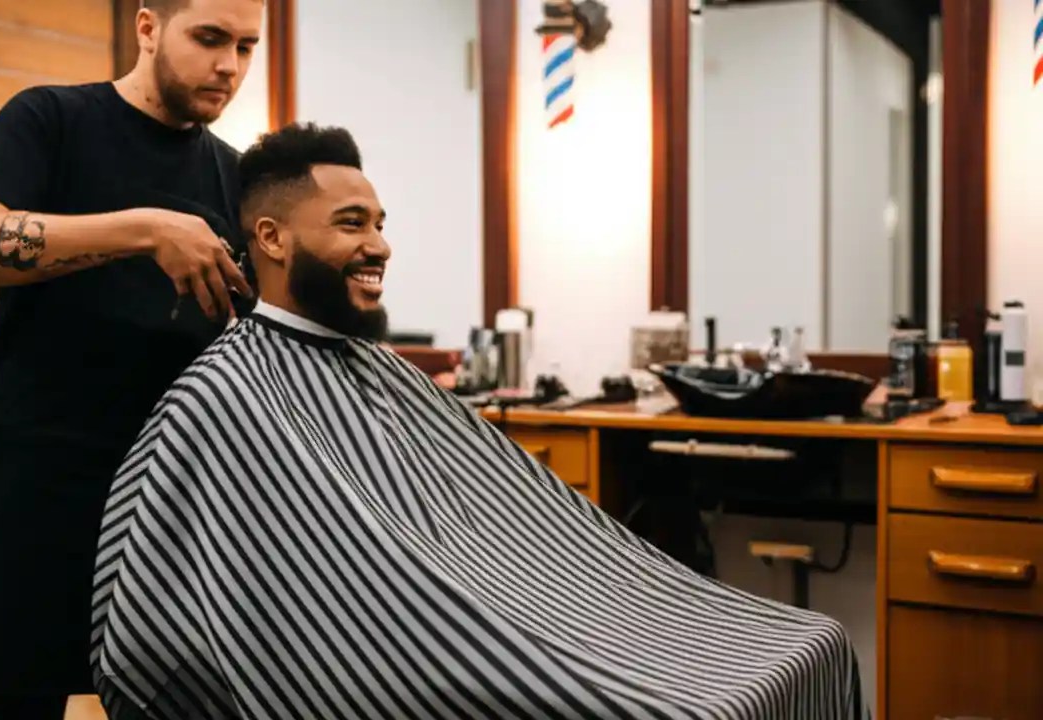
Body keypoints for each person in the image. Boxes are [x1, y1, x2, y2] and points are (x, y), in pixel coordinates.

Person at [89, 123, 867, 720]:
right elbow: (152, 616)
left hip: (485, 617)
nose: (380, 245)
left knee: (810, 644)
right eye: (352, 224)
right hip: (410, 653)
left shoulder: (378, 370)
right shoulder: (225, 393)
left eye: (381, 222)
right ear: (271, 237)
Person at [0, 0, 264, 716]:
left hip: (173, 498)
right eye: (209, 39)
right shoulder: (50, 120)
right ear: (147, 28)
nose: (229, 66)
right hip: (37, 486)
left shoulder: (238, 178)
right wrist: (145, 230)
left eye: (245, 46)